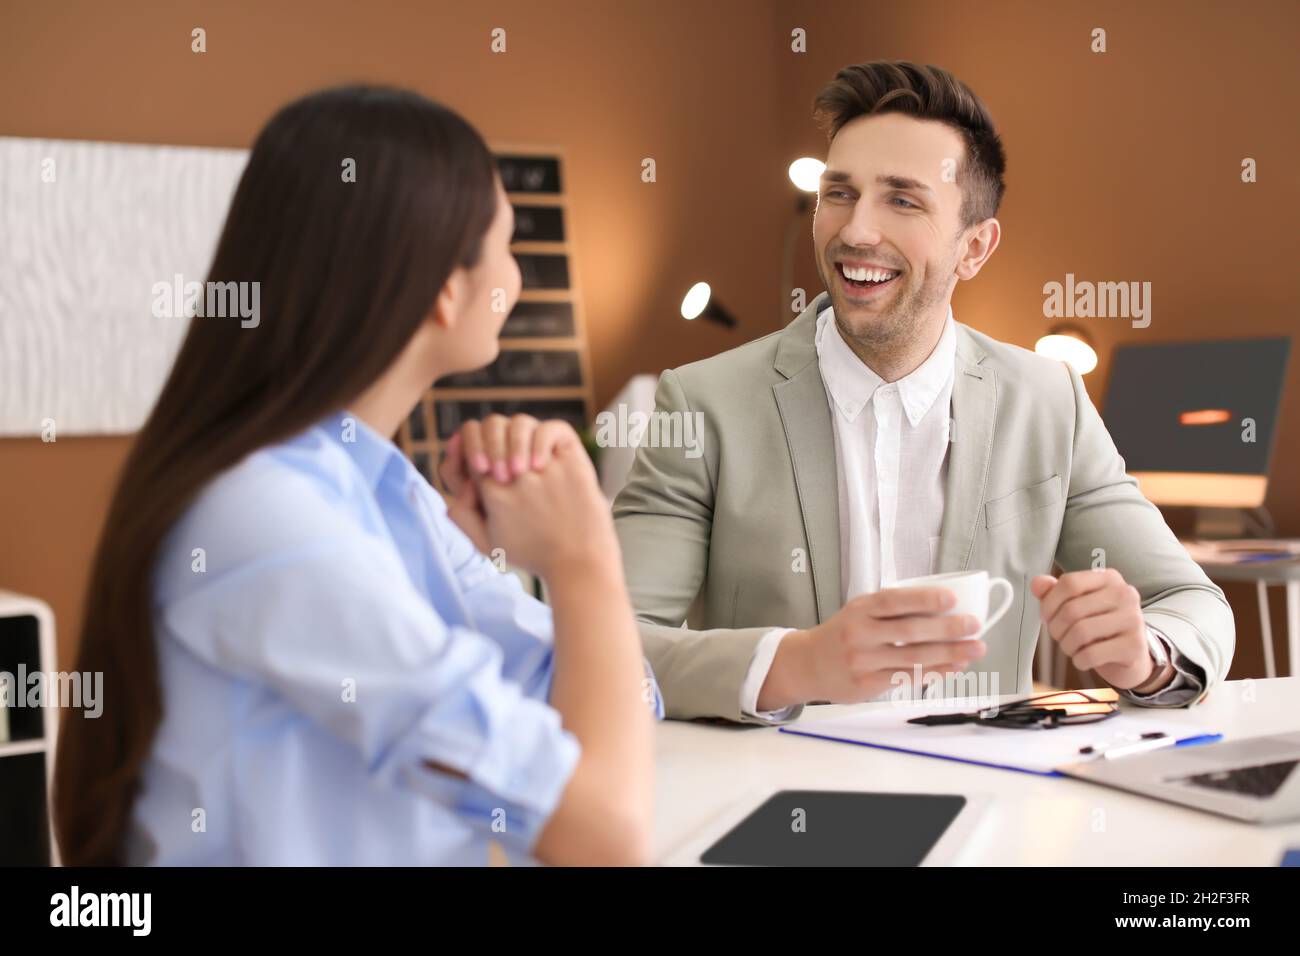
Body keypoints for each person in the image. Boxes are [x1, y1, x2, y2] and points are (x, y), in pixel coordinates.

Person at [54, 85, 657, 866]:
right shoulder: (263, 516)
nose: (518, 274)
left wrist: (555, 566)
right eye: (507, 244)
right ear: (446, 287)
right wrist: (583, 561)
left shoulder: (386, 487)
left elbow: (626, 705)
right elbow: (607, 835)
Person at [608, 60, 1234, 723]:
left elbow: (1193, 603)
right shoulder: (703, 404)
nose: (855, 231)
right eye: (840, 193)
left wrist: (1149, 654)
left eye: (902, 199)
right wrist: (799, 663)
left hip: (990, 801)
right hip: (782, 801)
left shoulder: (1049, 402)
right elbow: (606, 648)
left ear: (974, 248)